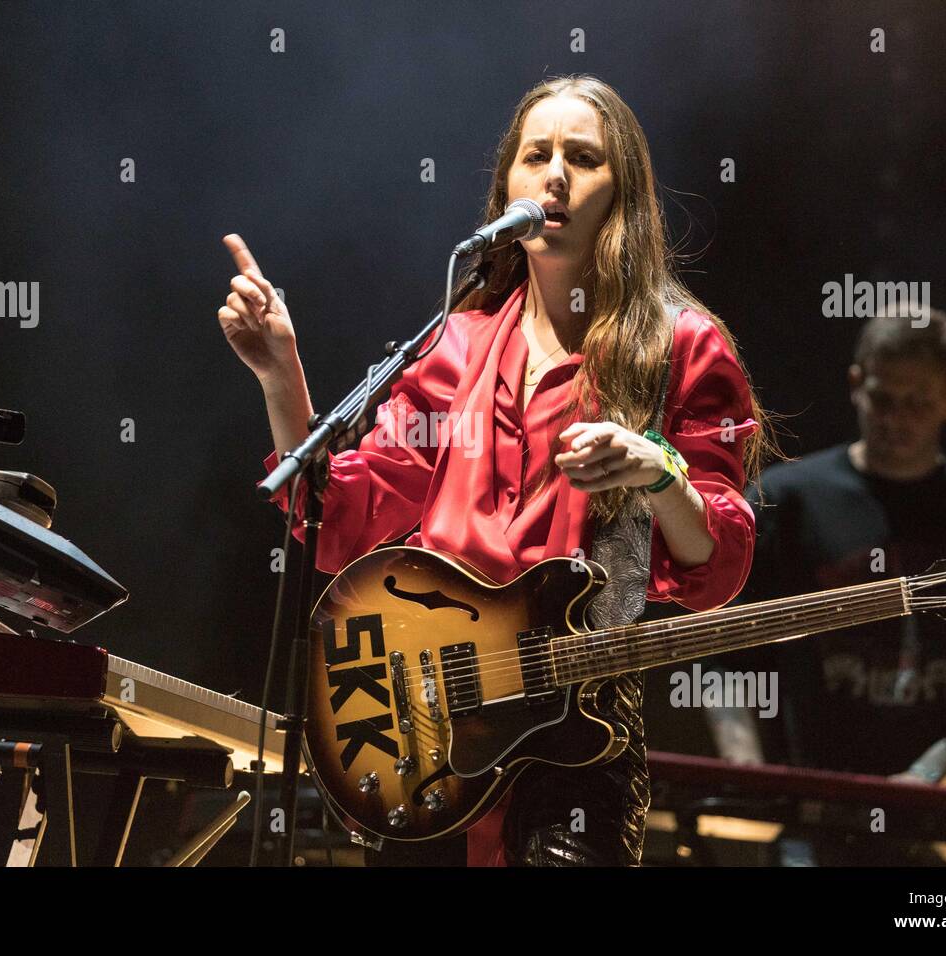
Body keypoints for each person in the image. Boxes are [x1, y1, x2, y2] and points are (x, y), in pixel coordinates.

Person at [219, 74, 775, 866]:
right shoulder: (455, 344)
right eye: (535, 154)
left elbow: (719, 567)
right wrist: (283, 375)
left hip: (572, 740)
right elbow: (340, 522)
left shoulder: (682, 350)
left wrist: (659, 474)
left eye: (583, 158)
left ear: (624, 194)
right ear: (507, 183)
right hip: (430, 731)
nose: (554, 175)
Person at [705, 308, 946, 865]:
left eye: (920, 403)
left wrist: (922, 779)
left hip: (923, 826)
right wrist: (749, 779)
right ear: (857, 383)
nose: (898, 420)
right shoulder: (786, 501)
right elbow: (722, 655)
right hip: (799, 819)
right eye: (885, 399)